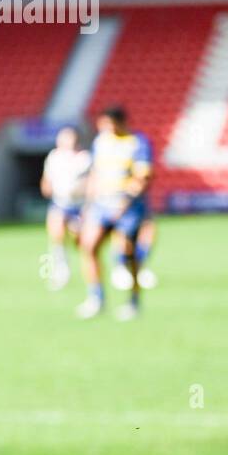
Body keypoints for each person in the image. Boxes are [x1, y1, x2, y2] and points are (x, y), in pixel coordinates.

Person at [77, 106, 152, 321]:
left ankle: (134, 300)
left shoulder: (137, 142)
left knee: (128, 255)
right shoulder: (100, 143)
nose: (106, 128)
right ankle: (96, 298)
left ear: (121, 122)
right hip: (101, 205)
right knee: (89, 246)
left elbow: (143, 177)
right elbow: (95, 174)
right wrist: (87, 204)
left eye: (109, 124)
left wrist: (125, 201)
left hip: (128, 207)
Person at [40, 125, 91, 291]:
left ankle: (89, 270)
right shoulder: (54, 157)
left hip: (79, 205)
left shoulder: (84, 158)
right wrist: (47, 188)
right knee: (57, 235)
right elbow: (46, 180)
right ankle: (60, 270)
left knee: (80, 240)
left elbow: (90, 182)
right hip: (60, 203)